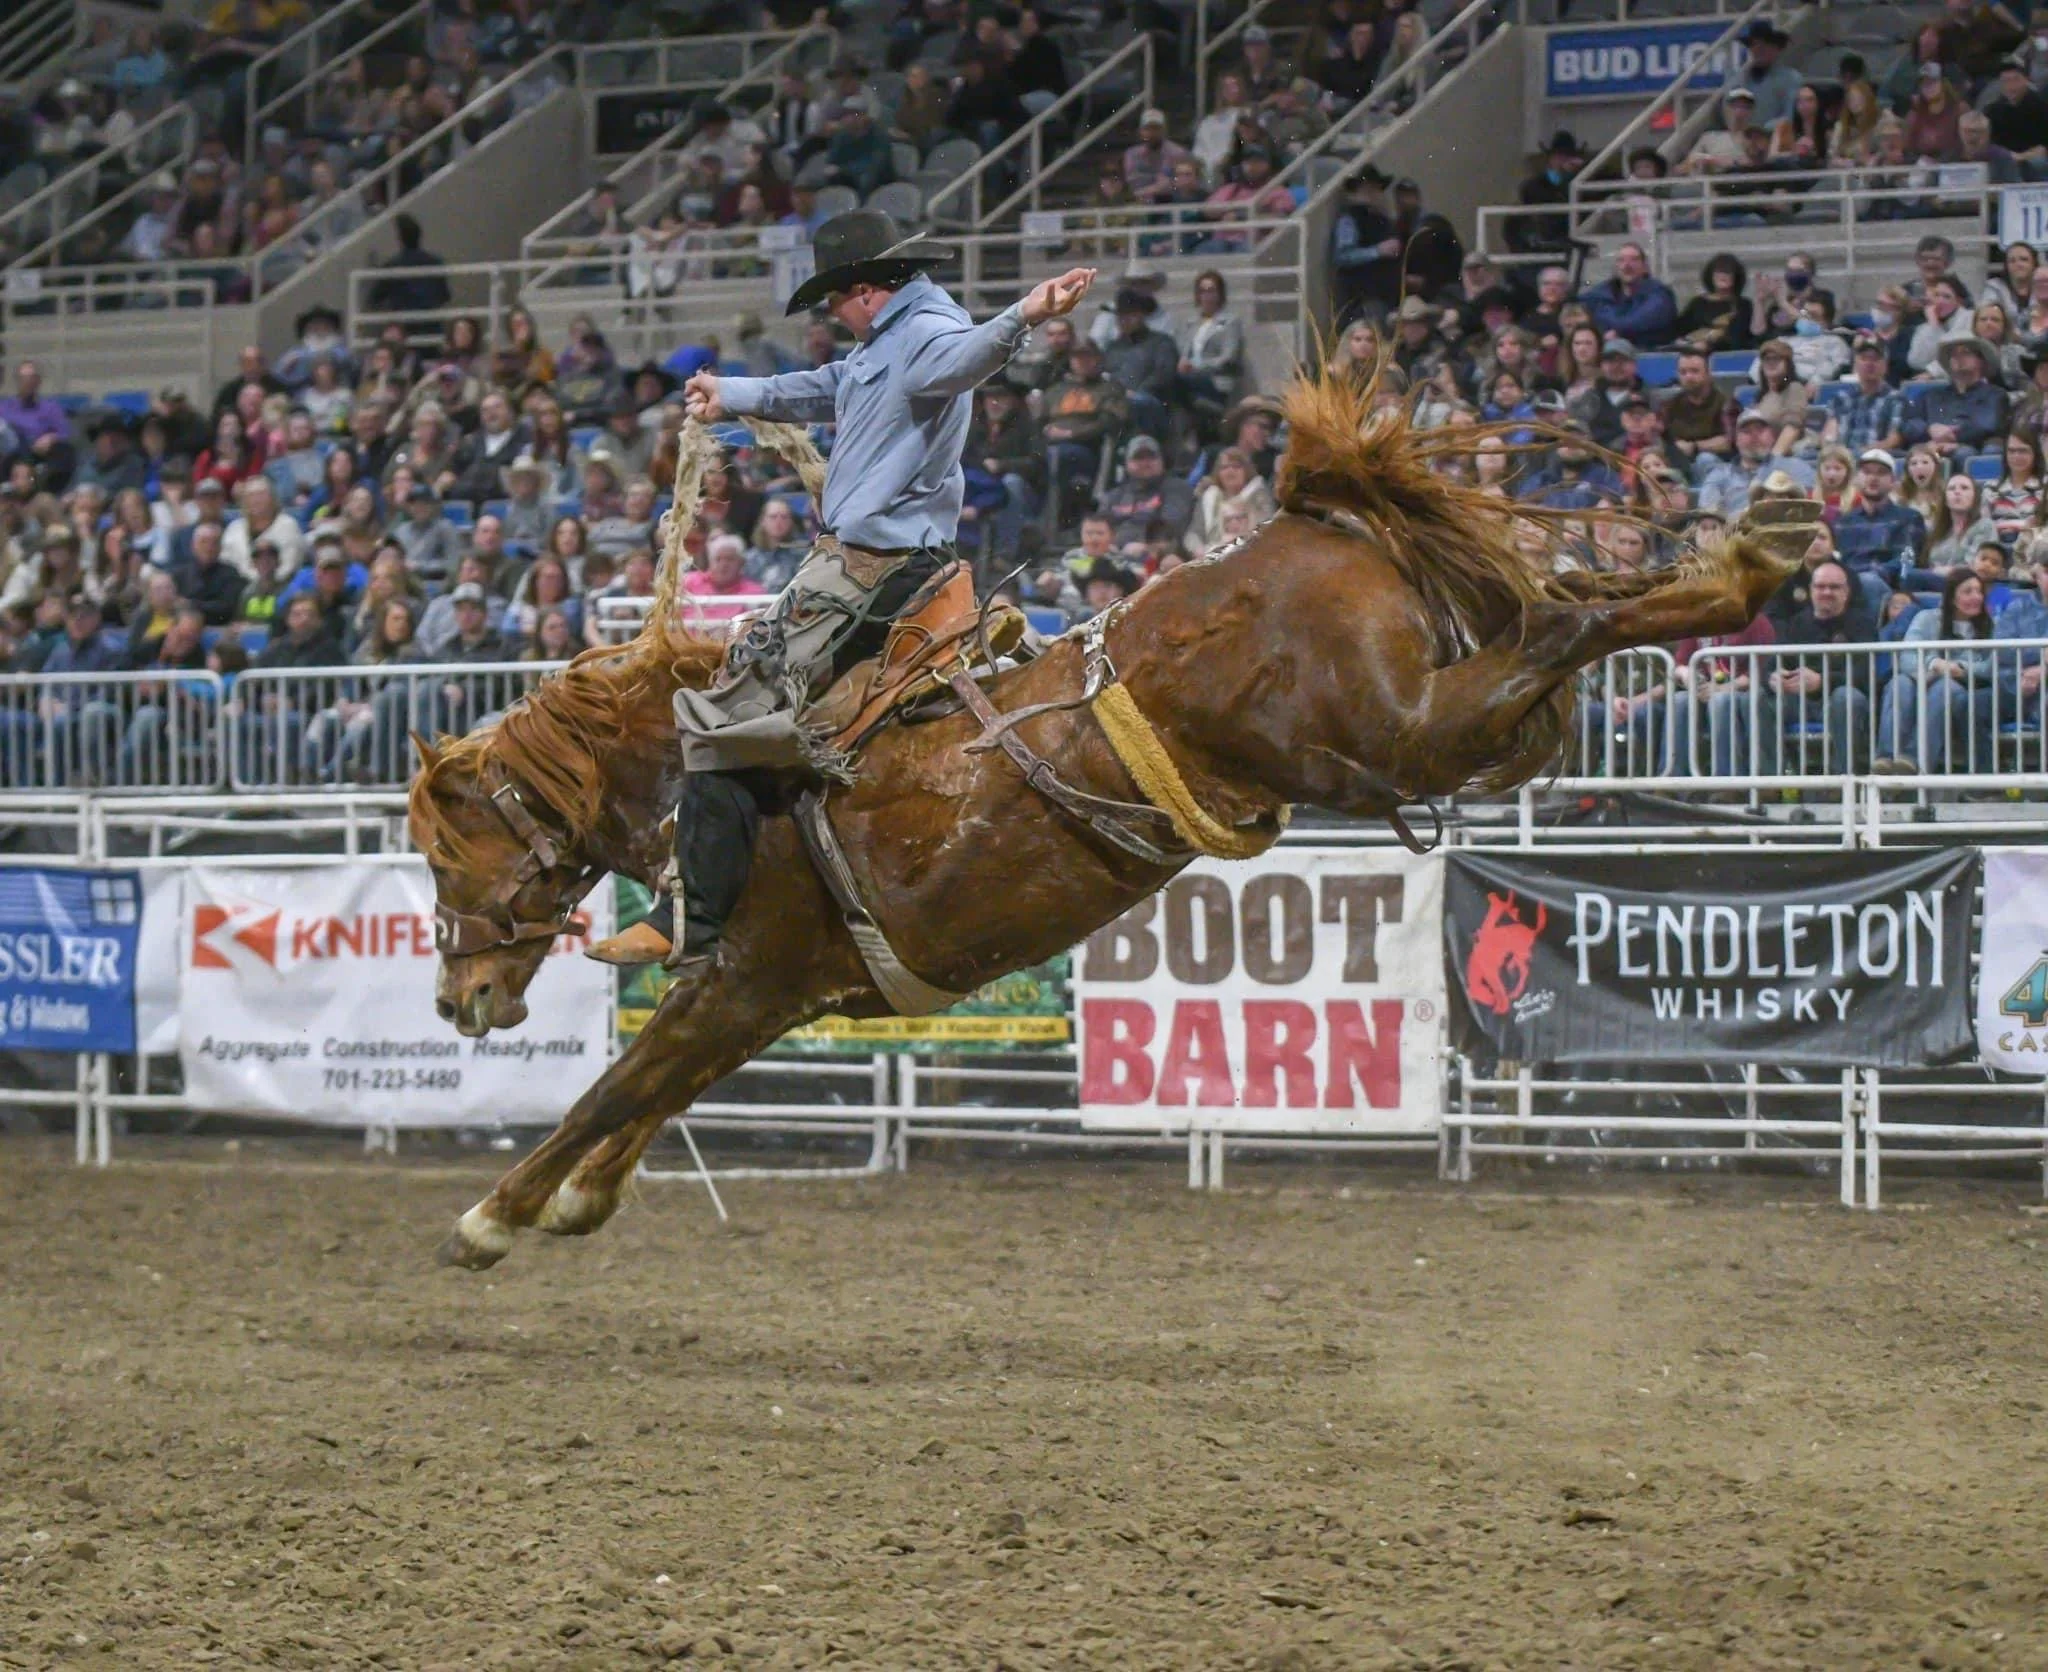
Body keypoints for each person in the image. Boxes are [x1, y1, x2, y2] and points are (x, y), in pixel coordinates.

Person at [586, 211, 1098, 971]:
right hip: (878, 557)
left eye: (835, 302)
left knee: (729, 707)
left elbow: (965, 359)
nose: (832, 317)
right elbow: (825, 387)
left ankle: (692, 915)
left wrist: (1025, 313)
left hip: (870, 567)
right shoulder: (887, 344)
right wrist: (734, 393)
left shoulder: (924, 337)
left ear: (865, 292)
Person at [1877, 567, 1999, 771]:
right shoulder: (1926, 618)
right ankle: (1886, 757)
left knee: (1945, 687)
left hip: (1962, 687)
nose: (1976, 597)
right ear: (1952, 596)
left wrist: (1961, 668)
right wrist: (1934, 664)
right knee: (1899, 683)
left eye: (1979, 591)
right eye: (1967, 591)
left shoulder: (1989, 626)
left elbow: (1991, 666)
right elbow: (1907, 655)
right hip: (1921, 679)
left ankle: (1914, 760)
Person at [1577, 244, 1677, 348]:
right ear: (1616, 267)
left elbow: (1637, 322)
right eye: (1621, 260)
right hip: (1610, 356)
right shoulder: (1601, 293)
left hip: (1651, 355)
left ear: (1645, 267)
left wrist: (1615, 332)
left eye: (1634, 260)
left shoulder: (1660, 294)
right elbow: (1579, 305)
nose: (1627, 265)